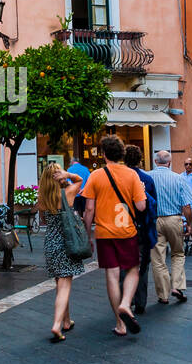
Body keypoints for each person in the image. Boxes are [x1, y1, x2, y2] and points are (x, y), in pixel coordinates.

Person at [79, 135, 148, 336]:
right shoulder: (132, 175)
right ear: (121, 154)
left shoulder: (96, 176)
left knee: (112, 274)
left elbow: (89, 210)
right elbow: (141, 206)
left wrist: (87, 233)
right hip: (127, 231)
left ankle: (120, 323)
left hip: (104, 232)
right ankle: (126, 303)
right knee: (133, 270)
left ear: (103, 154)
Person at [37, 163, 87, 342]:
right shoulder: (67, 194)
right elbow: (80, 180)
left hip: (50, 243)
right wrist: (68, 174)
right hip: (66, 243)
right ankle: (57, 325)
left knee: (60, 282)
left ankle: (66, 320)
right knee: (65, 285)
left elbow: (44, 220)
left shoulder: (42, 198)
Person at [147, 150, 192, 305]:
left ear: (155, 161)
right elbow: (187, 205)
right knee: (178, 253)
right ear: (169, 162)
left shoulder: (148, 177)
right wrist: (189, 223)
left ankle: (163, 295)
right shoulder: (178, 179)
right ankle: (177, 286)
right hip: (174, 218)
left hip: (155, 220)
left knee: (158, 258)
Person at [123, 144, 158, 315]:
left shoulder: (119, 178)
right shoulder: (147, 179)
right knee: (142, 265)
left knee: (125, 264)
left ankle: (125, 300)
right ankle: (141, 302)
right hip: (142, 228)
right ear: (140, 159)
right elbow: (153, 207)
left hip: (123, 226)